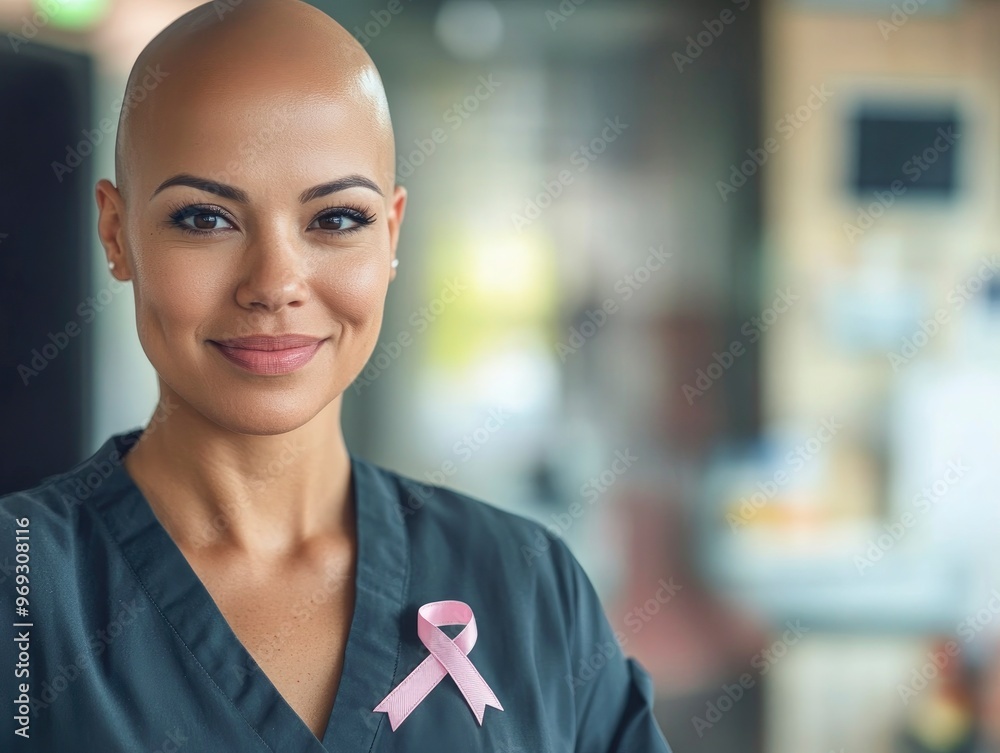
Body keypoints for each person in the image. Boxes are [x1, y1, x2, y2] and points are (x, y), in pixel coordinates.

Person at [0, 1, 673, 750]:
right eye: (204, 218)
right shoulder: (21, 590)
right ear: (115, 235)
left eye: (336, 219)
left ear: (391, 237)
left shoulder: (529, 588)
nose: (274, 282)